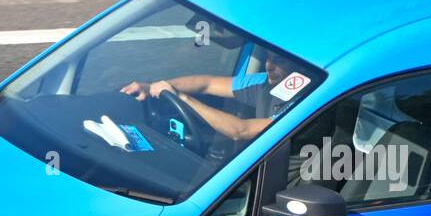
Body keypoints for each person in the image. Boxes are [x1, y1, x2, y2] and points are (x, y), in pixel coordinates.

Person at [120, 47, 303, 142]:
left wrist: (181, 97)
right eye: (268, 58)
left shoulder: (306, 99)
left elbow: (241, 130)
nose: (269, 66)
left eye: (279, 61)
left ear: (300, 67)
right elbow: (207, 84)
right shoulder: (265, 81)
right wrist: (154, 86)